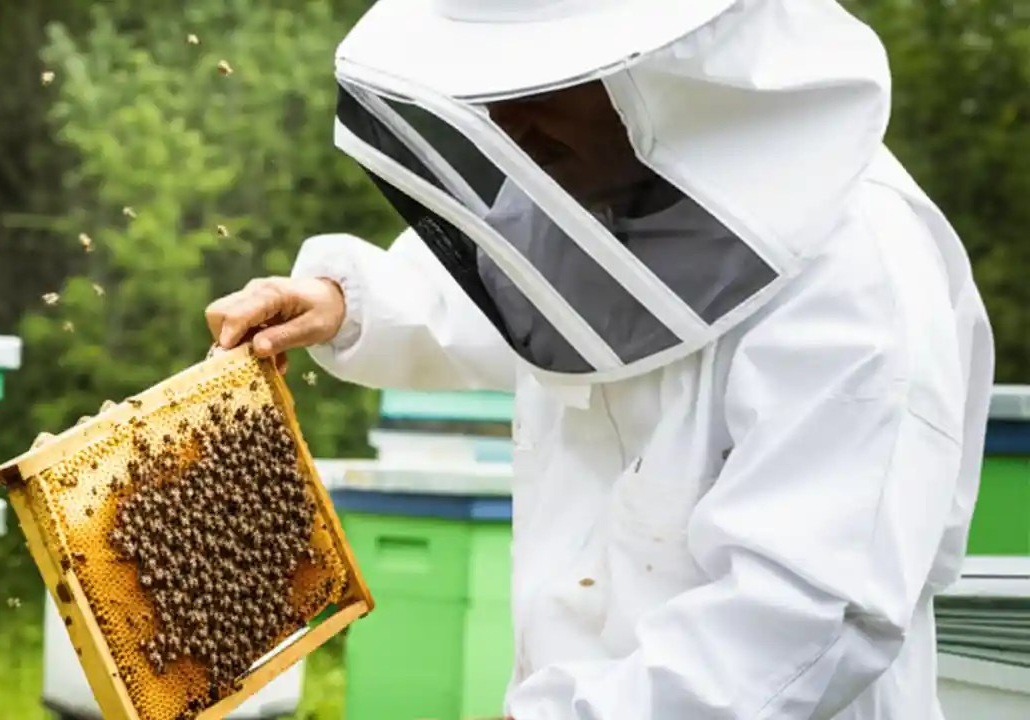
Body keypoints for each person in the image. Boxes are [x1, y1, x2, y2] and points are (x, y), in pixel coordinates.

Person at [205, 0, 995, 717]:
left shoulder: (862, 275)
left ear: (668, 71)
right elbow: (510, 301)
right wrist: (349, 300)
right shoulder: (608, 196)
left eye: (543, 85)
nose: (509, 124)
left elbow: (803, 620)